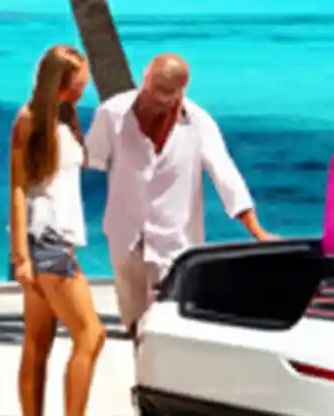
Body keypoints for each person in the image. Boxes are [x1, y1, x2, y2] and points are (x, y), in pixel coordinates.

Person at [84, 53, 276, 344]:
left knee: (168, 329)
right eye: (151, 91)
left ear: (180, 92)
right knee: (135, 327)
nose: (154, 102)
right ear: (144, 79)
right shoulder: (112, 113)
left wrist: (256, 230)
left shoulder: (198, 123)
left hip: (177, 242)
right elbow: (91, 159)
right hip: (126, 238)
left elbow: (226, 176)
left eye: (164, 97)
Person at [9, 45, 106, 416]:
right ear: (59, 82)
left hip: (53, 237)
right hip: (45, 239)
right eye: (78, 83)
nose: (84, 89)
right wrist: (20, 257)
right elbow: (18, 188)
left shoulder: (63, 119)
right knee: (91, 335)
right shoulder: (29, 120)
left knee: (38, 340)